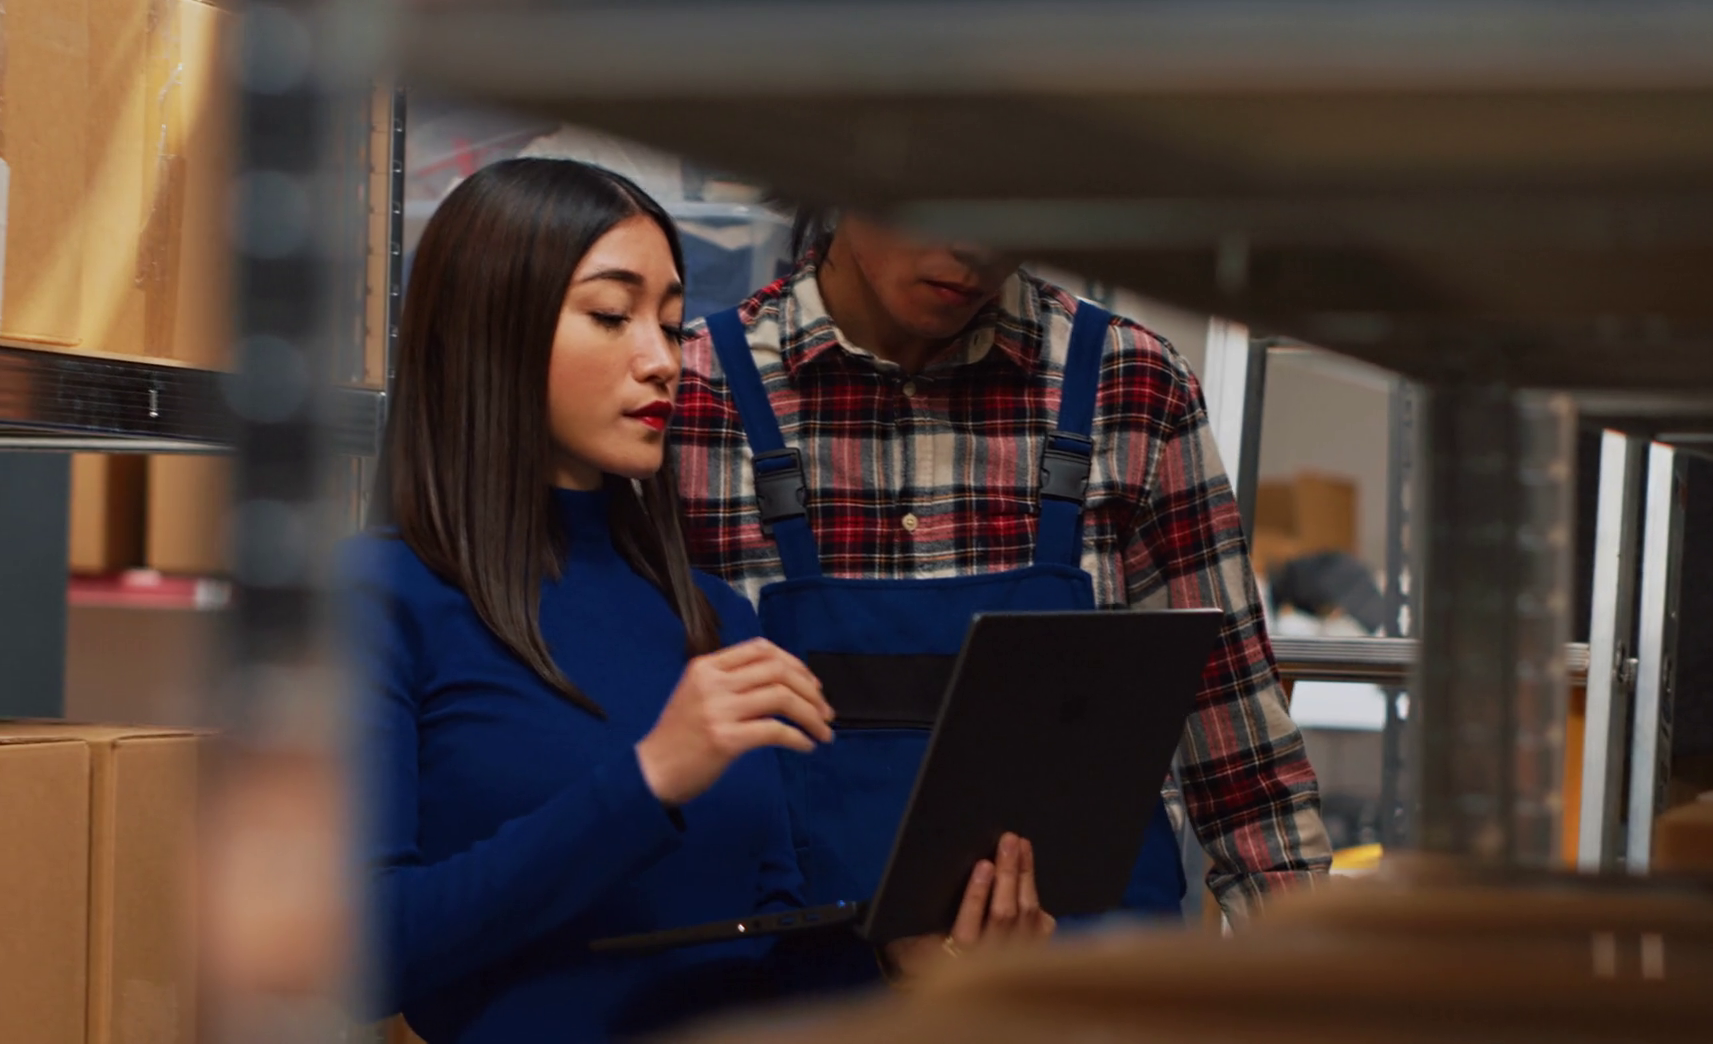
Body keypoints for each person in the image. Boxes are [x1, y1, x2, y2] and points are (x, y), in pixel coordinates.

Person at [340, 160, 1049, 1044]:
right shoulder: (374, 601)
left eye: (671, 323)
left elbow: (759, 960)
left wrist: (895, 963)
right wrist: (647, 781)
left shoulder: (713, 620)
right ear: (491, 325)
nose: (662, 360)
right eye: (612, 315)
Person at [673, 209, 1335, 971]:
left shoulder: (1127, 385)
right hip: (798, 1005)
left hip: (1080, 1003)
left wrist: (1306, 984)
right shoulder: (694, 397)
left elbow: (1243, 764)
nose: (977, 248)